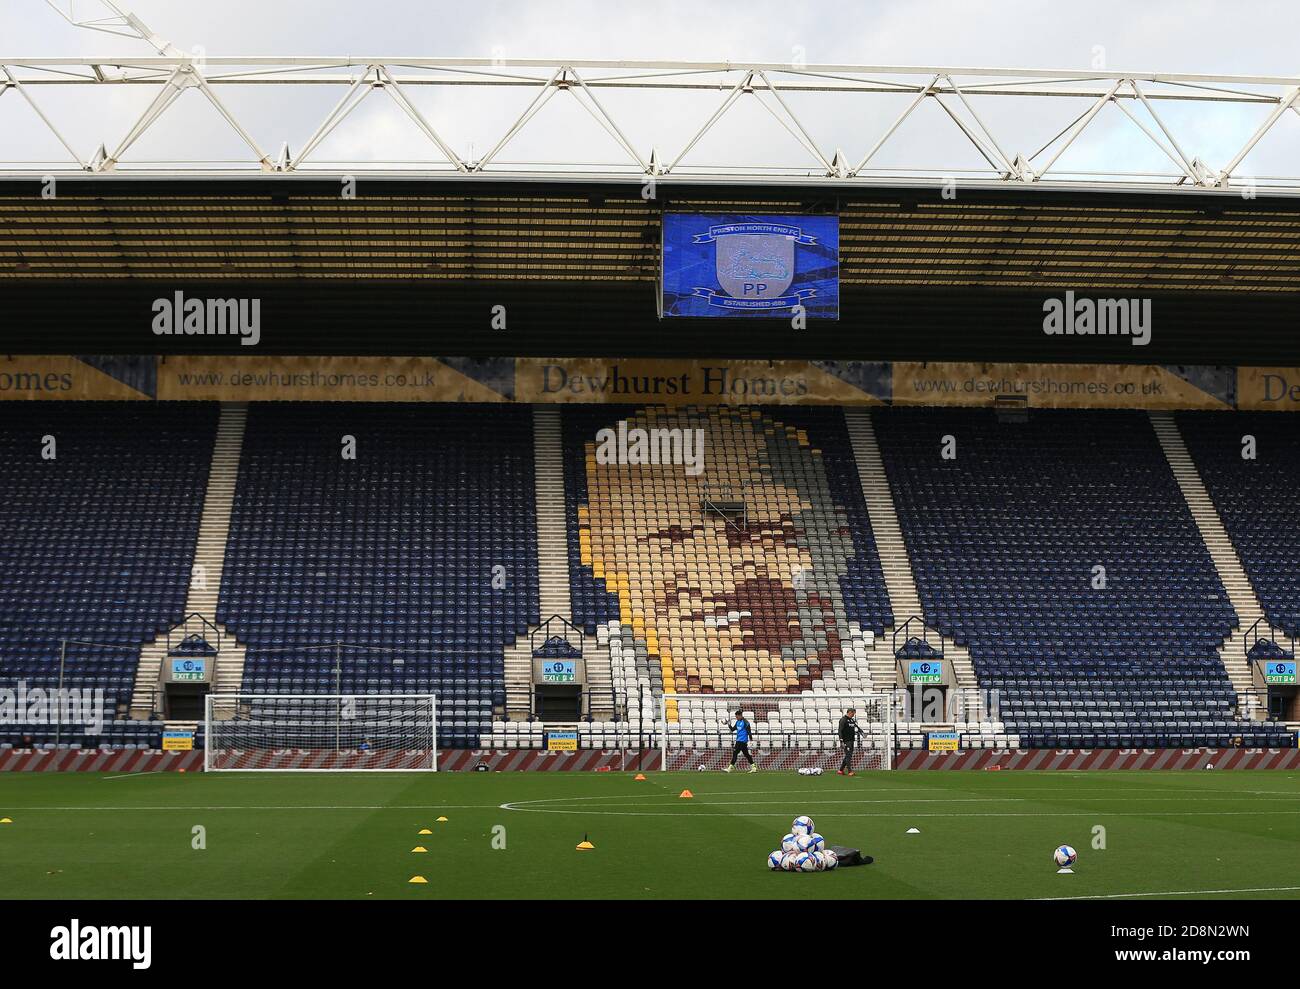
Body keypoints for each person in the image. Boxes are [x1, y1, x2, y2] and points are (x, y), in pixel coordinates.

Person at [723, 709, 758, 773]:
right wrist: (728, 724)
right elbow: (733, 729)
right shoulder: (737, 722)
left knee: (735, 753)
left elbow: (749, 731)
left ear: (740, 715)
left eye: (737, 717)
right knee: (746, 754)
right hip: (738, 740)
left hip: (742, 741)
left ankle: (730, 768)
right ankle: (753, 767)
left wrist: (751, 740)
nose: (736, 718)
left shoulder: (745, 722)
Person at [837, 707, 858, 776]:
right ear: (850, 712)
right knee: (848, 756)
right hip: (846, 740)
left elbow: (855, 727)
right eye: (853, 713)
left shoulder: (851, 720)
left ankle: (840, 770)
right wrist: (841, 740)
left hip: (851, 740)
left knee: (848, 755)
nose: (854, 715)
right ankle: (850, 771)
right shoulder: (843, 720)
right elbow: (840, 730)